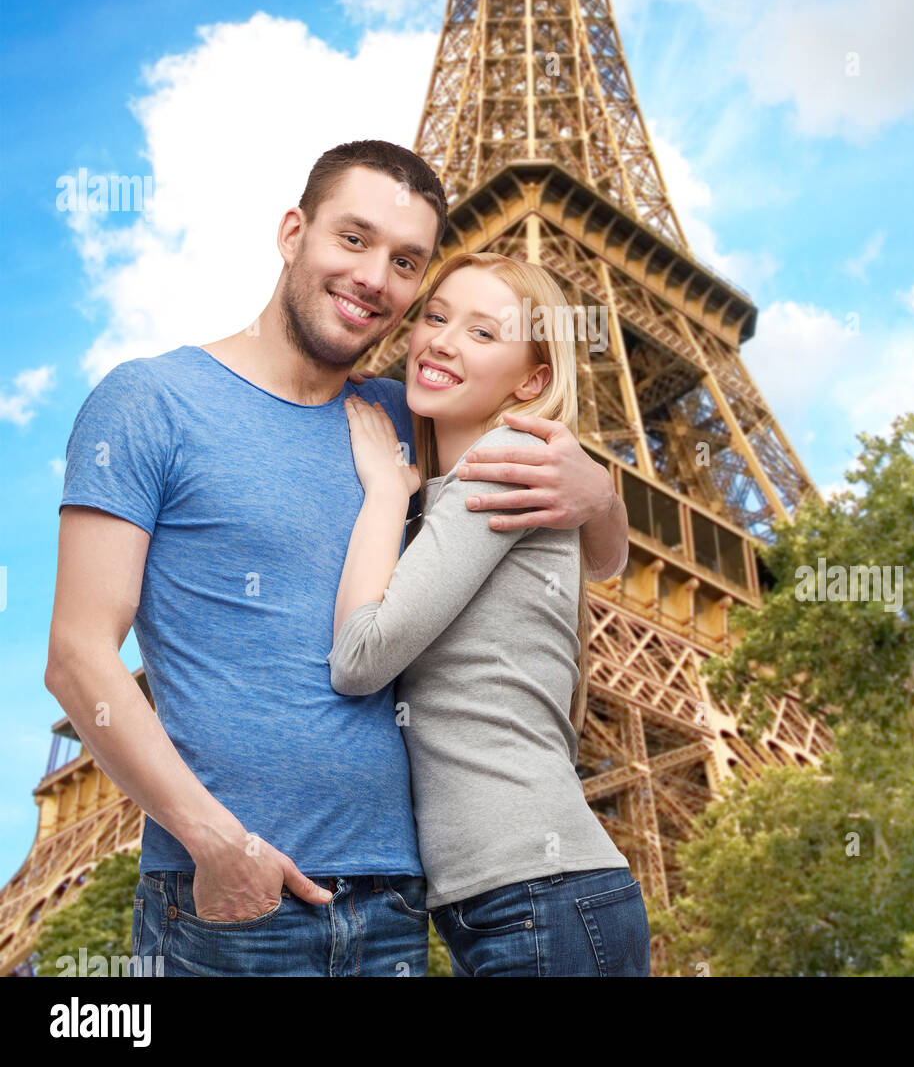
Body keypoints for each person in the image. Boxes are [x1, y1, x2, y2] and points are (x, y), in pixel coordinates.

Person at [45, 139, 629, 977]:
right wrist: (218, 845)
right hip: (234, 896)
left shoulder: (411, 415)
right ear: (293, 232)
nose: (374, 278)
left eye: (405, 263)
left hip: (397, 901)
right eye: (352, 239)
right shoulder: (150, 401)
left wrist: (599, 495)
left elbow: (586, 556)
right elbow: (77, 655)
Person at [328, 251, 651, 977]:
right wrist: (600, 502)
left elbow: (358, 662)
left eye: (482, 333)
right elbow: (603, 562)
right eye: (435, 317)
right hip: (517, 900)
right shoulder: (464, 489)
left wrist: (384, 491)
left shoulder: (501, 464)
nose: (441, 340)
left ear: (532, 380)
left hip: (539, 897)